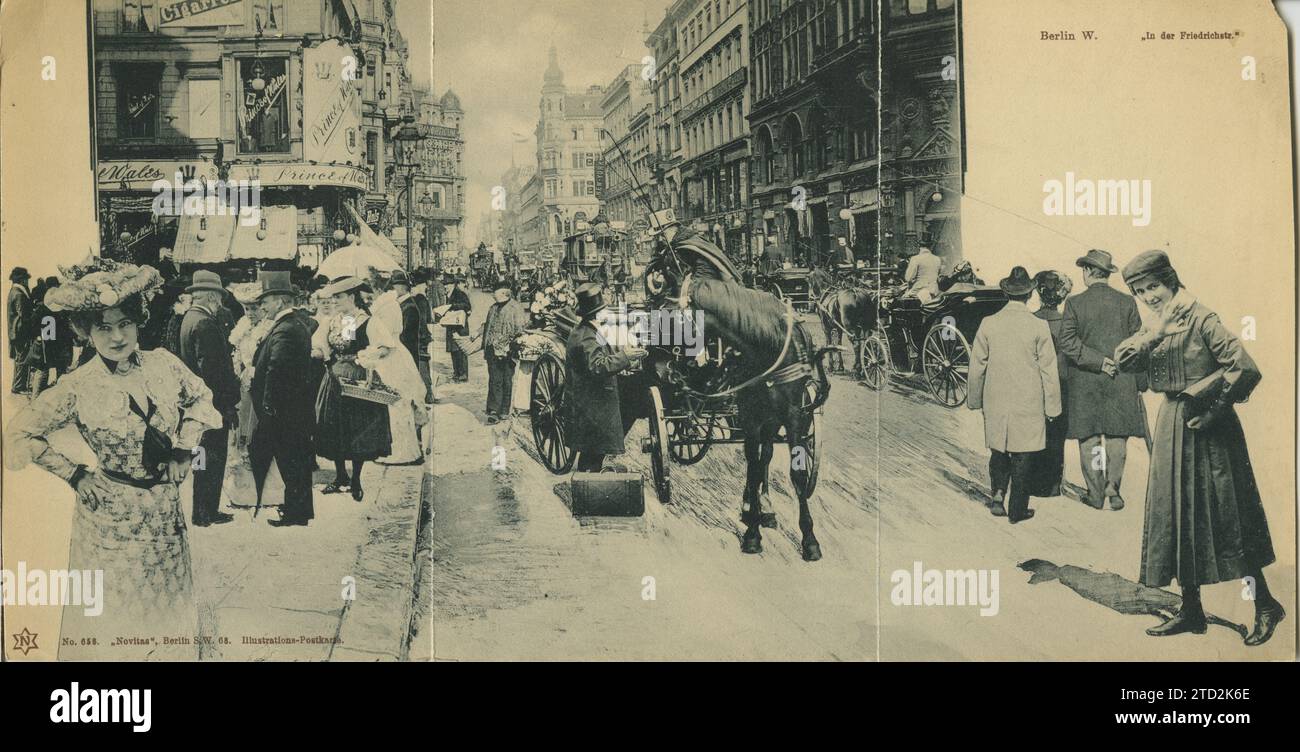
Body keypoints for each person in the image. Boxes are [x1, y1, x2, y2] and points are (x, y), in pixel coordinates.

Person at [4, 261, 221, 659]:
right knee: (116, 625)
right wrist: (73, 474)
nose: (117, 337)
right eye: (103, 327)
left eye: (124, 323)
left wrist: (183, 449)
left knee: (167, 617)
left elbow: (202, 400)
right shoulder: (77, 385)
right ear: (85, 331)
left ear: (139, 321)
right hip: (108, 524)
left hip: (164, 519)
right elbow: (17, 434)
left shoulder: (164, 365)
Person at [1115, 250, 1284, 645]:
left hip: (1210, 428)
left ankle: (1265, 605)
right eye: (1141, 291)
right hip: (1173, 422)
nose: (1149, 296)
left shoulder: (1203, 317)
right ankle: (1191, 610)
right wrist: (1155, 333)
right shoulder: (1154, 323)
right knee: (1175, 515)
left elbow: (1244, 367)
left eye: (1153, 286)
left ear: (1171, 279)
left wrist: (1216, 410)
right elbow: (1124, 361)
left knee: (1228, 518)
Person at [967, 266, 1062, 523]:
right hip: (1028, 401)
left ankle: (997, 495)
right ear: (1030, 294)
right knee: (1023, 454)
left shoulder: (989, 323)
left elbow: (977, 367)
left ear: (1006, 293)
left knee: (999, 449)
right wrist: (1053, 408)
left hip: (996, 399)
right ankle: (1017, 510)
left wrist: (974, 400)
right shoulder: (1039, 326)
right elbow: (1049, 372)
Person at [1058, 249, 1148, 511]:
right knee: (1117, 437)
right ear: (1107, 275)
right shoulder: (1127, 302)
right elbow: (1138, 345)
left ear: (1087, 272)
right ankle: (1113, 488)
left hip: (1086, 381)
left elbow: (1067, 342)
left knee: (1090, 439)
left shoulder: (1074, 303)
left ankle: (1095, 493)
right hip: (1122, 380)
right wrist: (1140, 382)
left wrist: (1097, 362)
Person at [312, 277, 393, 500]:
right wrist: (317, 352)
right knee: (335, 426)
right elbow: (327, 346)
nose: (334, 301)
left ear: (351, 297)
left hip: (357, 376)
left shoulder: (365, 320)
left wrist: (369, 356)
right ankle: (340, 476)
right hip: (335, 377)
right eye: (333, 297)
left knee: (357, 427)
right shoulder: (337, 320)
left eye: (338, 297)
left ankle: (356, 479)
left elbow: (385, 347)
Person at [249, 271, 316, 526]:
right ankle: (297, 510)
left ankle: (295, 513)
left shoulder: (285, 328)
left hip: (284, 410)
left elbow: (276, 370)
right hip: (292, 408)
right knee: (294, 459)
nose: (262, 305)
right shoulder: (291, 324)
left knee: (291, 460)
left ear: (279, 301)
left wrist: (268, 405)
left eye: (265, 300)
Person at [178, 270, 241, 527]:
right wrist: (227, 404)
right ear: (213, 297)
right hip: (212, 404)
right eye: (218, 298)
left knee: (201, 456)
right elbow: (214, 371)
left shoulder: (188, 319)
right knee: (211, 457)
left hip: (197, 402)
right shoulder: (205, 323)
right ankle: (206, 512)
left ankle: (201, 510)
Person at [564, 283, 647, 472]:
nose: (607, 312)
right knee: (594, 449)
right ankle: (590, 479)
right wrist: (626, 357)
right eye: (603, 309)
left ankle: (597, 466)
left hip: (592, 394)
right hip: (591, 401)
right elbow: (597, 367)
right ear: (597, 314)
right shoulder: (586, 337)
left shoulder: (588, 330)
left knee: (634, 398)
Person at [1028, 270, 1073, 497]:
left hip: (1033, 385)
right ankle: (1053, 485)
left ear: (1038, 292)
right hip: (1062, 384)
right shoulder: (1068, 322)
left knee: (1034, 431)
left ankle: (1032, 482)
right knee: (1057, 434)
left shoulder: (1029, 320)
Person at [479, 279, 528, 423]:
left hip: (508, 351)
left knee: (506, 379)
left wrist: (507, 344)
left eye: (496, 293)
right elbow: (487, 325)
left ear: (505, 293)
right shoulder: (493, 308)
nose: (493, 296)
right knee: (495, 379)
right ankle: (494, 410)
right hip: (491, 350)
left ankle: (504, 410)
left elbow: (519, 330)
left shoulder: (516, 308)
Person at [7, 266, 33, 394]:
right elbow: (23, 315)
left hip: (16, 332)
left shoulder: (13, 291)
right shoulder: (19, 294)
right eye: (26, 279)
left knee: (20, 359)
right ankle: (19, 387)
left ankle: (19, 385)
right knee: (22, 359)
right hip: (21, 332)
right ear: (22, 280)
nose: (27, 282)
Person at [446, 275, 472, 382]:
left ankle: (463, 373)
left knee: (461, 350)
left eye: (447, 284)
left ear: (453, 284)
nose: (445, 287)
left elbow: (467, 307)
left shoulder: (460, 294)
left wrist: (452, 307)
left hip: (459, 327)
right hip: (452, 326)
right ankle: (457, 372)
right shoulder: (450, 294)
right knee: (454, 351)